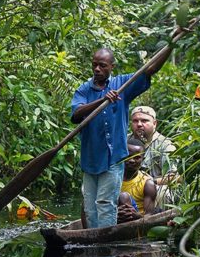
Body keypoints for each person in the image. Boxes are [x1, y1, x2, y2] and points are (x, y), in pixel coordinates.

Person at [71, 45, 174, 229]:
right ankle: (93, 239)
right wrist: (102, 100)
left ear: (111, 67)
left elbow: (150, 69)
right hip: (91, 158)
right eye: (94, 65)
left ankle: (105, 241)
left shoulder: (122, 85)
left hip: (114, 158)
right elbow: (76, 114)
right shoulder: (84, 90)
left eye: (102, 65)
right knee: (89, 207)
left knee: (105, 203)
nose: (97, 69)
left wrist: (171, 45)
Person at [129, 105, 177, 186]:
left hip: (156, 187)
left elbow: (175, 177)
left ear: (154, 123)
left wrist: (150, 182)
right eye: (135, 121)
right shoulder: (124, 141)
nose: (139, 124)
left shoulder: (165, 144)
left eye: (144, 121)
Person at [117, 137, 157, 223]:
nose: (131, 160)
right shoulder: (112, 178)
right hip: (113, 215)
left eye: (137, 157)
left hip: (134, 222)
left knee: (124, 197)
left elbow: (149, 216)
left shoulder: (148, 184)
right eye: (128, 156)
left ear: (143, 159)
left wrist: (135, 215)